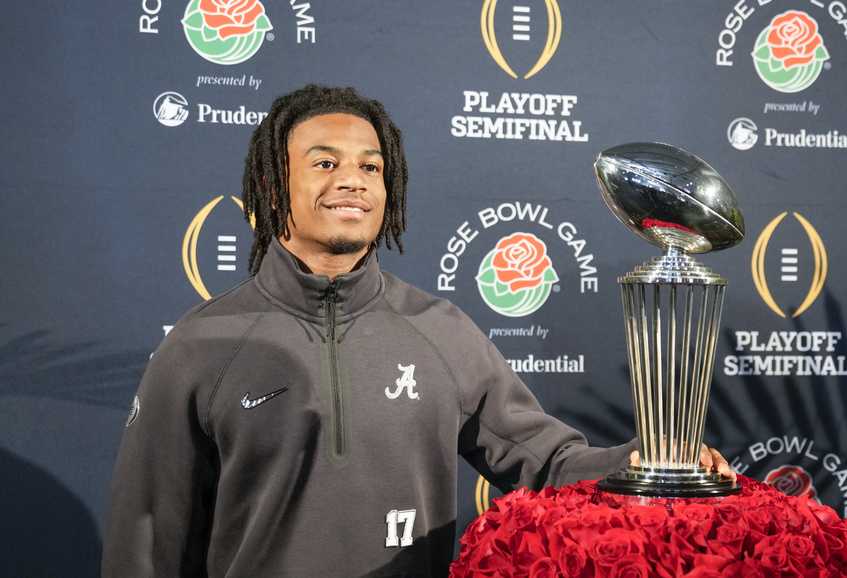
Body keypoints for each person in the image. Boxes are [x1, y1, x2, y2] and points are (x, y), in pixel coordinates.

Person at [102, 84, 734, 578]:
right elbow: (147, 541)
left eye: (371, 167)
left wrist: (650, 460)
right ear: (272, 186)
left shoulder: (440, 331)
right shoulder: (201, 346)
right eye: (325, 163)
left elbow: (546, 463)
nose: (352, 180)